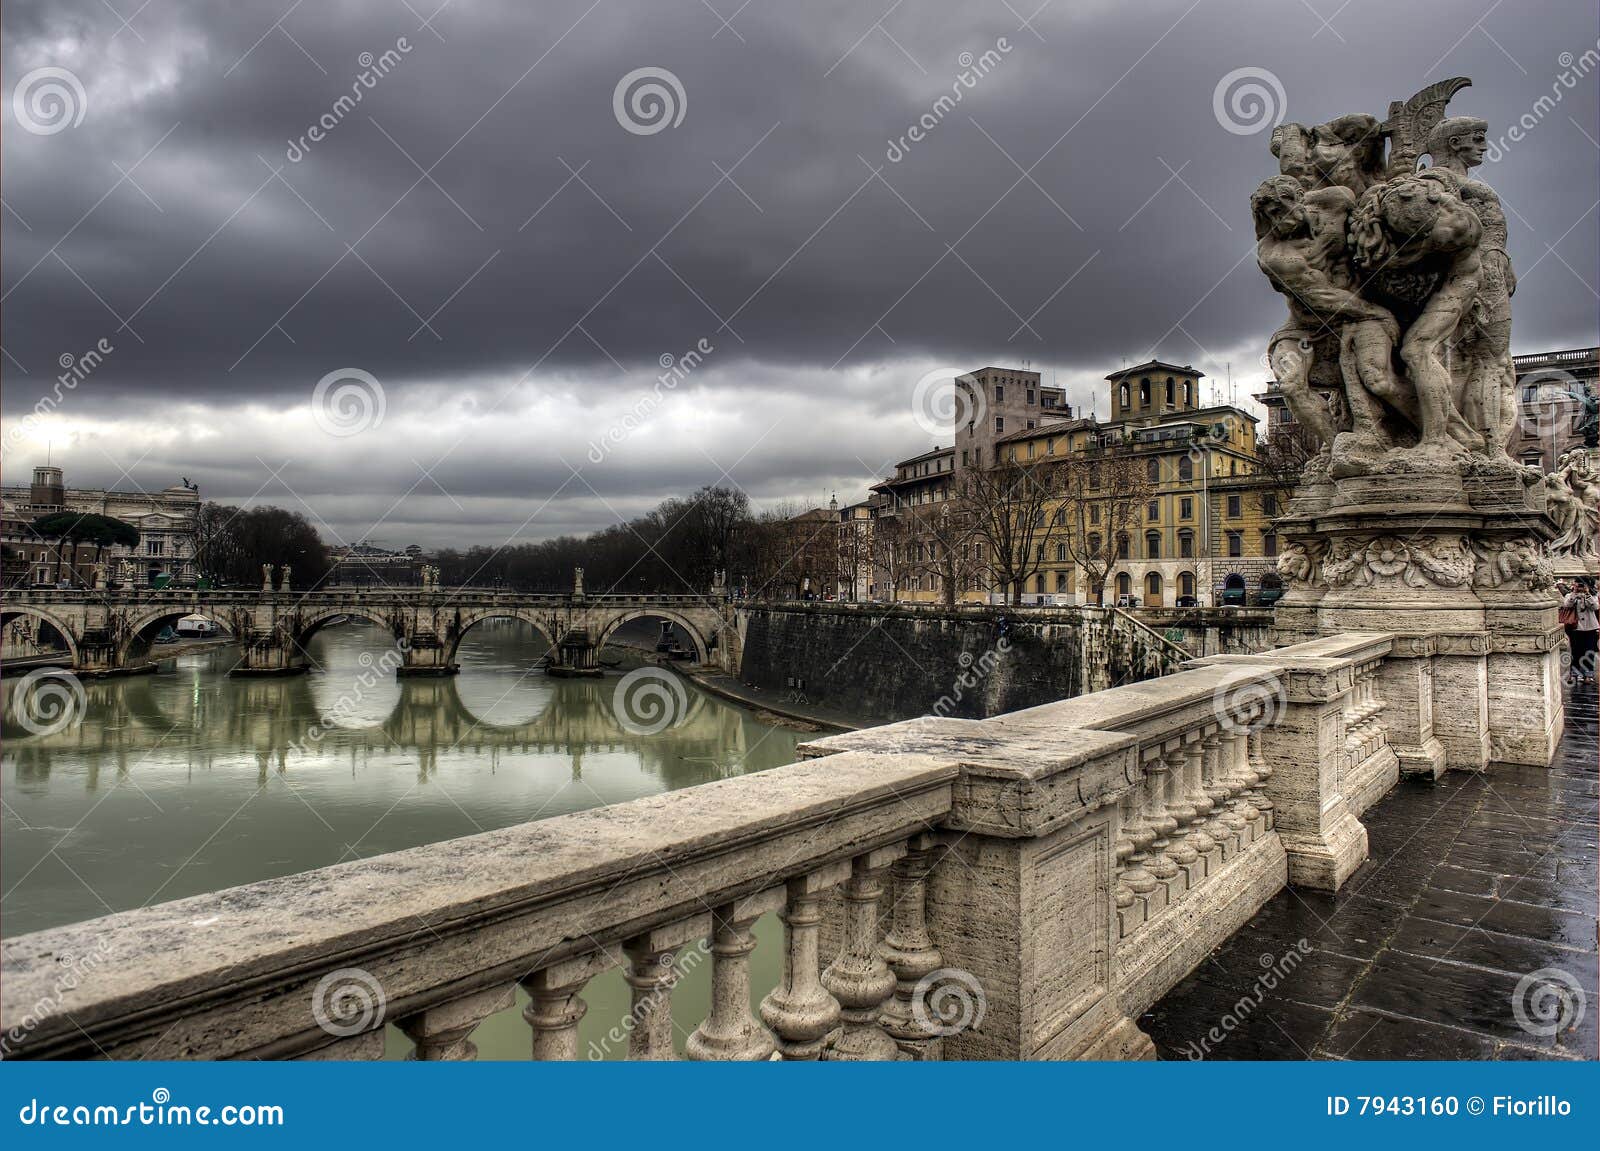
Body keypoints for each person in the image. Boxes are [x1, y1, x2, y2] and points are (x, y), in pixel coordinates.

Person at [1562, 579, 1599, 686]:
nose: (1580, 587)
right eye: (1579, 585)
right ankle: (1574, 673)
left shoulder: (1593, 595)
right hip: (1575, 628)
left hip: (1590, 628)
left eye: (1582, 585)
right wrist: (1574, 592)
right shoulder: (1570, 595)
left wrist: (1587, 594)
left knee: (1589, 651)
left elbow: (1595, 607)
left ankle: (1588, 675)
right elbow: (1567, 605)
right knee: (1576, 652)